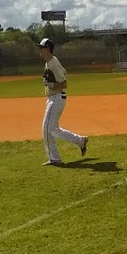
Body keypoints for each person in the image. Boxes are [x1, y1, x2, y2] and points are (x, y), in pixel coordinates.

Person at [36, 38, 89, 166]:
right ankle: (80, 141)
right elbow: (64, 72)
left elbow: (64, 83)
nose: (40, 50)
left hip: (57, 97)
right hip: (53, 98)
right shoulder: (49, 63)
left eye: (42, 48)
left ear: (48, 48)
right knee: (52, 129)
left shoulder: (53, 63)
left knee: (47, 128)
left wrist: (50, 84)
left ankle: (55, 158)